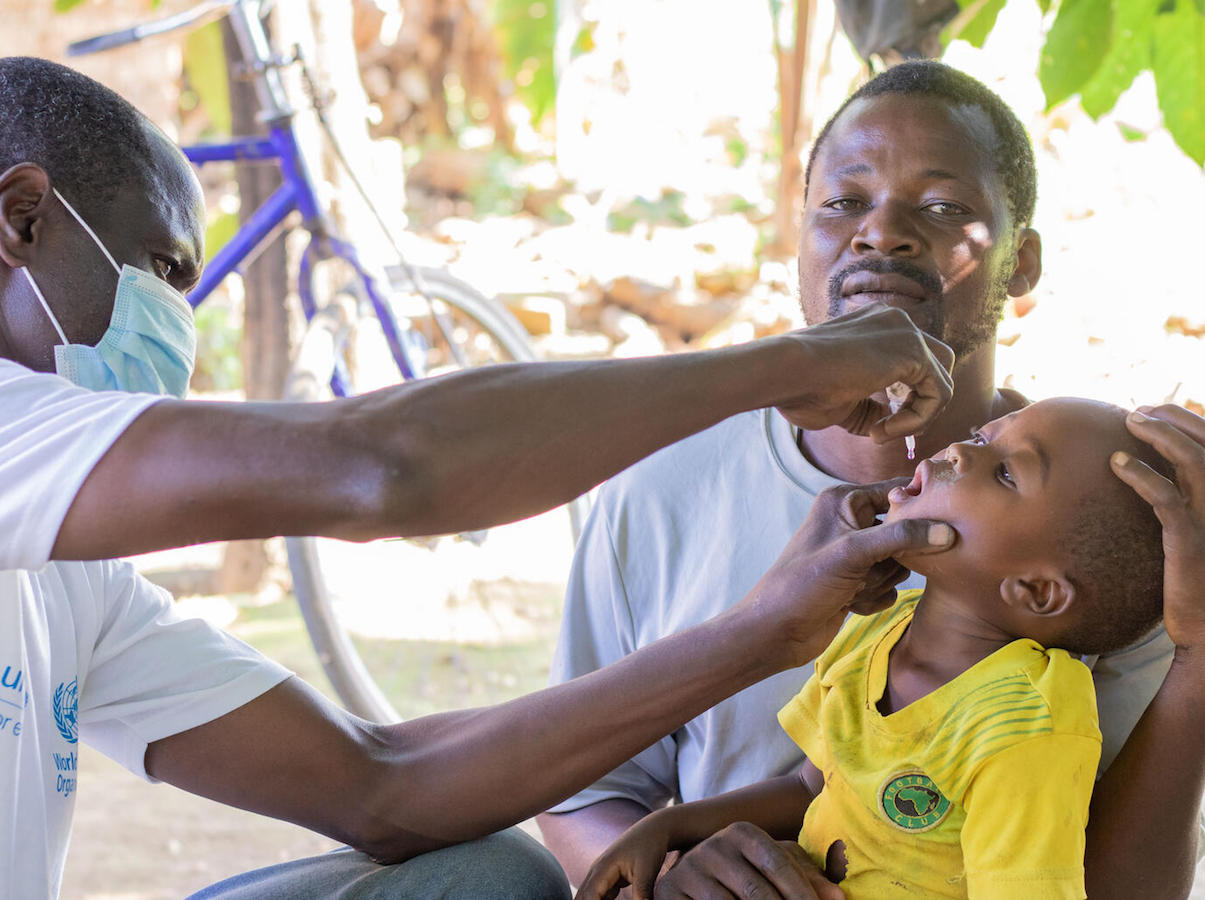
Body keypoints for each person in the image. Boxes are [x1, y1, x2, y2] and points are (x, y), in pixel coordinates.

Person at [0, 56, 961, 898]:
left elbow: (383, 786)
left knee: (489, 876)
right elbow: (382, 468)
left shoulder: (72, 576)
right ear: (23, 219)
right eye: (162, 270)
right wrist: (789, 368)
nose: (178, 317)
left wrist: (760, 634)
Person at [538, 59, 1205, 900]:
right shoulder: (661, 487)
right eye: (842, 203)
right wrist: (675, 871)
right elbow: (587, 796)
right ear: (802, 239)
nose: (880, 232)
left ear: (1020, 263)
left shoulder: (1112, 527)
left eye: (941, 208)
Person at [575, 397, 1168, 899]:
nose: (960, 452)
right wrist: (673, 826)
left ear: (1036, 590)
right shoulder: (873, 632)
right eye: (981, 438)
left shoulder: (1027, 724)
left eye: (1006, 473)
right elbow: (811, 787)